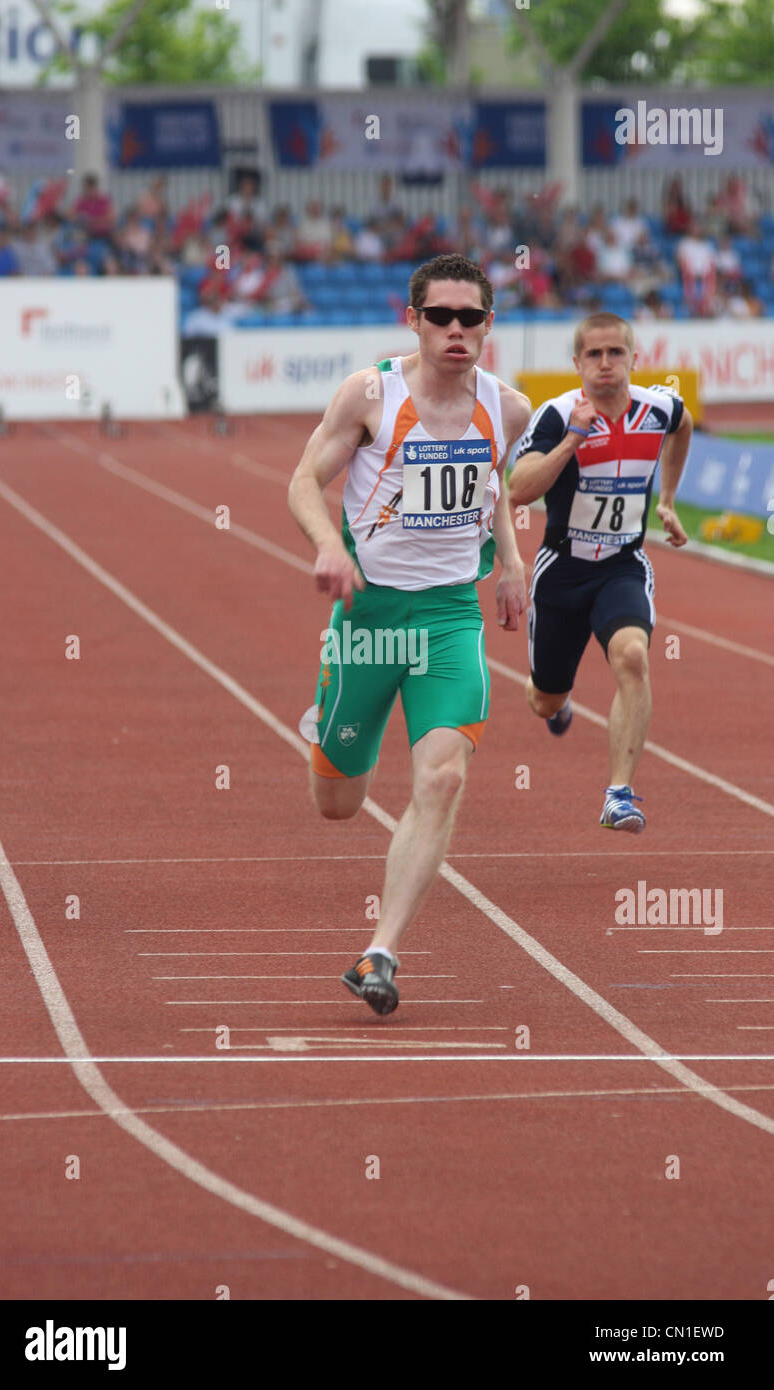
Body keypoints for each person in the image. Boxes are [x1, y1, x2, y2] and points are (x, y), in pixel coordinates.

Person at [288, 253, 531, 1016]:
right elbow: (302, 479)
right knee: (337, 801)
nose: (455, 331)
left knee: (443, 777)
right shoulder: (369, 395)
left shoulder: (509, 407)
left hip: (451, 618)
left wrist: (512, 562)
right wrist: (328, 544)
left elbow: (493, 487)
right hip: (370, 619)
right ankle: (328, 724)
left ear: (488, 325)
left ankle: (379, 952)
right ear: (413, 320)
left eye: (470, 318)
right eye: (440, 317)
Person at [508, 311, 693, 834]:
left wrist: (670, 501)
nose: (606, 363)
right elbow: (518, 488)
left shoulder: (659, 408)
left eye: (616, 352)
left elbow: (684, 425)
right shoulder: (557, 413)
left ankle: (619, 794)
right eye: (595, 354)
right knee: (543, 699)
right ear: (577, 363)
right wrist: (571, 441)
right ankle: (559, 703)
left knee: (632, 656)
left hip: (622, 565)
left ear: (634, 358)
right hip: (563, 571)